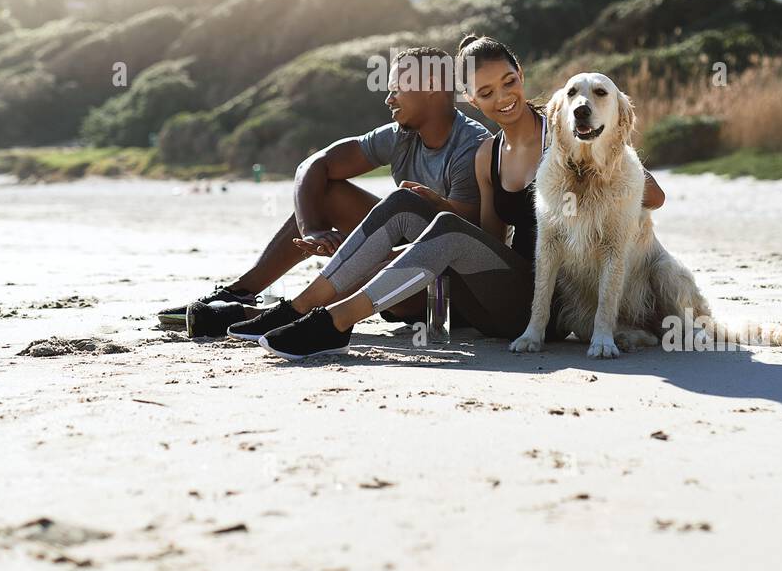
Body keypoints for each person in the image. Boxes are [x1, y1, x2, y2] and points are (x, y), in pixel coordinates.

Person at [238, 34, 665, 359]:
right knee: (406, 203)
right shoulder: (487, 155)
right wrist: (437, 208)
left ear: (521, 76)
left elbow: (654, 195)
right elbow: (489, 240)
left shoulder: (569, 133)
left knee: (438, 223)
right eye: (485, 93)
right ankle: (300, 308)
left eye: (508, 82)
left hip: (550, 306)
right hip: (500, 296)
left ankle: (336, 322)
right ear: (471, 100)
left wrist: (599, 165)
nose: (502, 98)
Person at [160, 45, 490, 336]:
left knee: (405, 219)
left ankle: (259, 315)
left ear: (431, 85)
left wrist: (361, 256)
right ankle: (238, 293)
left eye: (396, 89)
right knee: (328, 192)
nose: (388, 99)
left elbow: (460, 245)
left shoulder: (470, 148)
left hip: (447, 291)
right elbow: (314, 166)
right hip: (402, 256)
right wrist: (313, 230)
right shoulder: (401, 135)